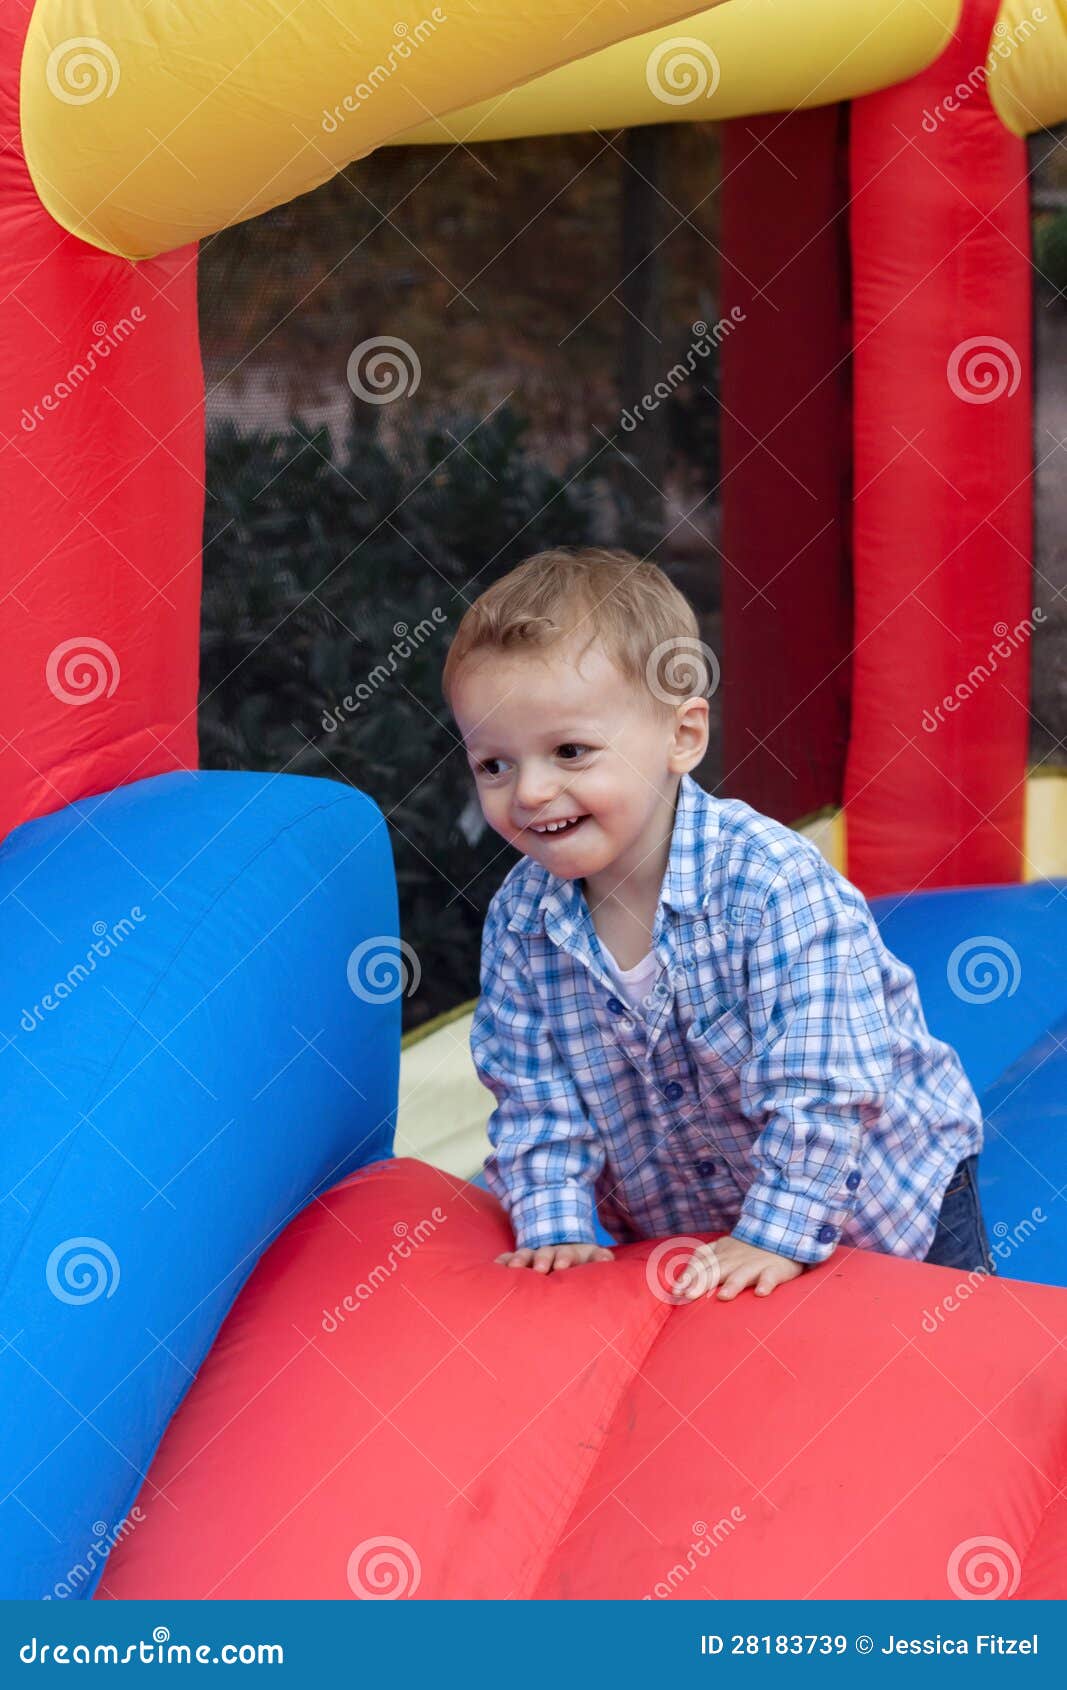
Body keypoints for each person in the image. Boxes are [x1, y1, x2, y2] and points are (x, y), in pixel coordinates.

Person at [441, 546, 996, 1302]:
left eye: (570, 751)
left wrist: (776, 1229)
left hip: (890, 1202)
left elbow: (822, 1080)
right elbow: (532, 1093)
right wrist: (554, 1222)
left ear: (682, 737)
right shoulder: (521, 921)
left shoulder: (770, 886)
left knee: (945, 1381)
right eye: (493, 765)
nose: (531, 791)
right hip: (697, 1225)